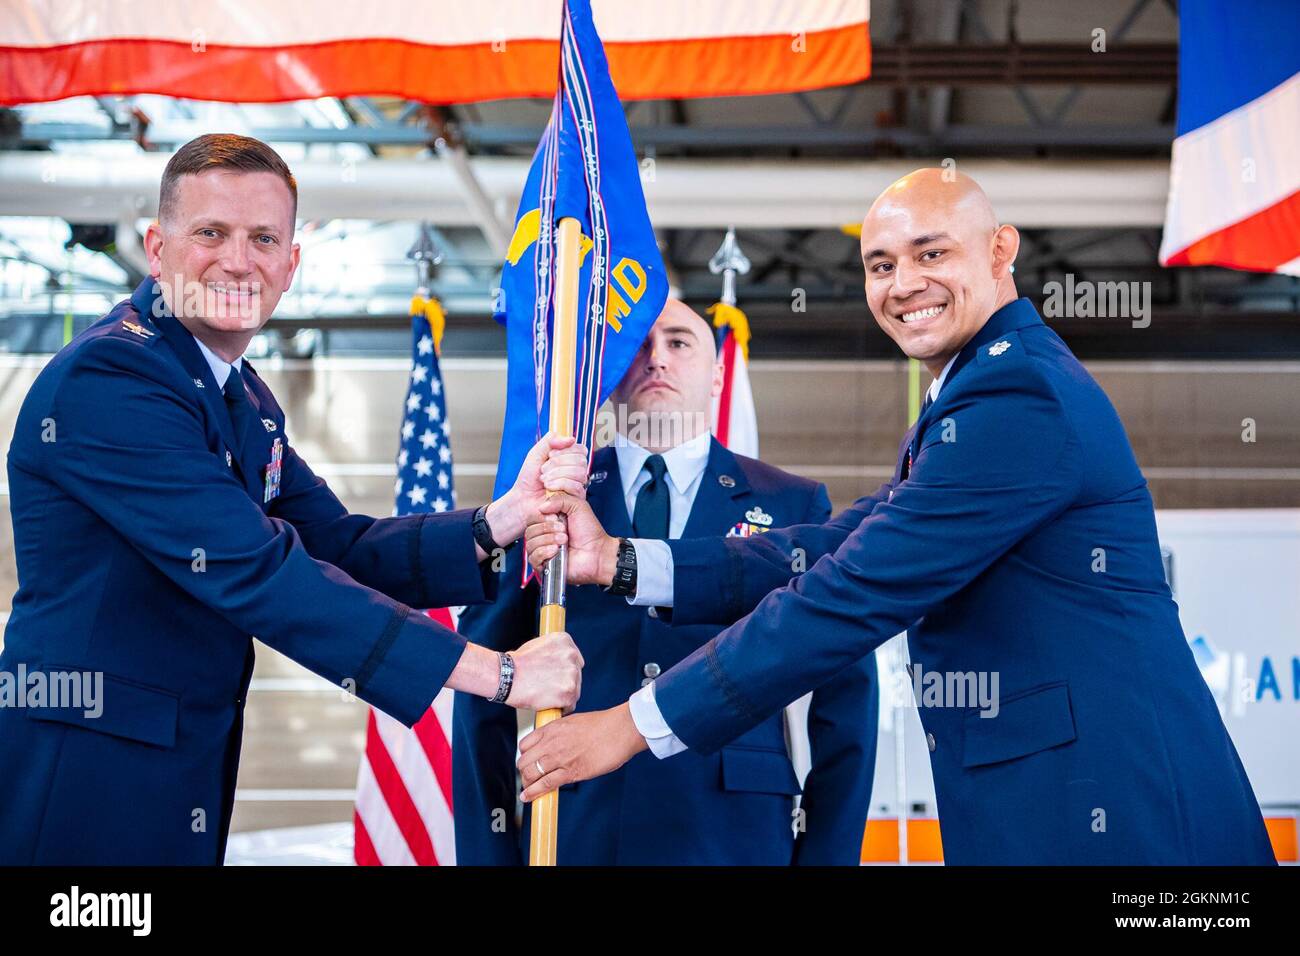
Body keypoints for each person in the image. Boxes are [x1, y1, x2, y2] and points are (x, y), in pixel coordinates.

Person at [516, 169, 1277, 865]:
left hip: (1121, 819)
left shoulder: (1019, 398)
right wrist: (617, 559)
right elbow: (825, 550)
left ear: (1000, 250)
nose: (904, 283)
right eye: (881, 266)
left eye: (930, 254)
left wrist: (629, 726)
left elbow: (849, 593)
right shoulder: (980, 392)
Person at [0, 134, 587, 865]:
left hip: (175, 763)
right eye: (210, 232)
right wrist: (497, 674)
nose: (238, 260)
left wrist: (497, 523)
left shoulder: (241, 395)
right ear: (157, 248)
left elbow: (335, 546)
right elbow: (261, 571)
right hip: (85, 773)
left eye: (263, 238)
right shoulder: (113, 378)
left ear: (291, 264)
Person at [454, 299, 876, 865]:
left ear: (718, 373)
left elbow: (846, 700)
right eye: (637, 345)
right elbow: (485, 689)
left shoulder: (793, 505)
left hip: (737, 835)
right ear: (605, 372)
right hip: (577, 829)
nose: (658, 360)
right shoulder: (544, 498)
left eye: (680, 342)